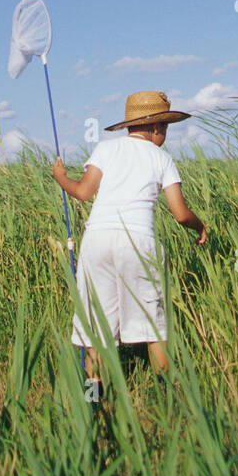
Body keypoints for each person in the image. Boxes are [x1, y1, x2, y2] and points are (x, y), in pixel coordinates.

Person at [52, 90, 208, 389]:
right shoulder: (162, 158)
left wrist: (61, 176)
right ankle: (168, 397)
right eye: (165, 128)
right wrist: (200, 228)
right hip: (137, 242)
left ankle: (92, 401)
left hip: (97, 240)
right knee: (153, 324)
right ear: (155, 127)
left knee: (94, 325)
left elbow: (84, 192)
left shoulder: (106, 150)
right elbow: (180, 213)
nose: (164, 134)